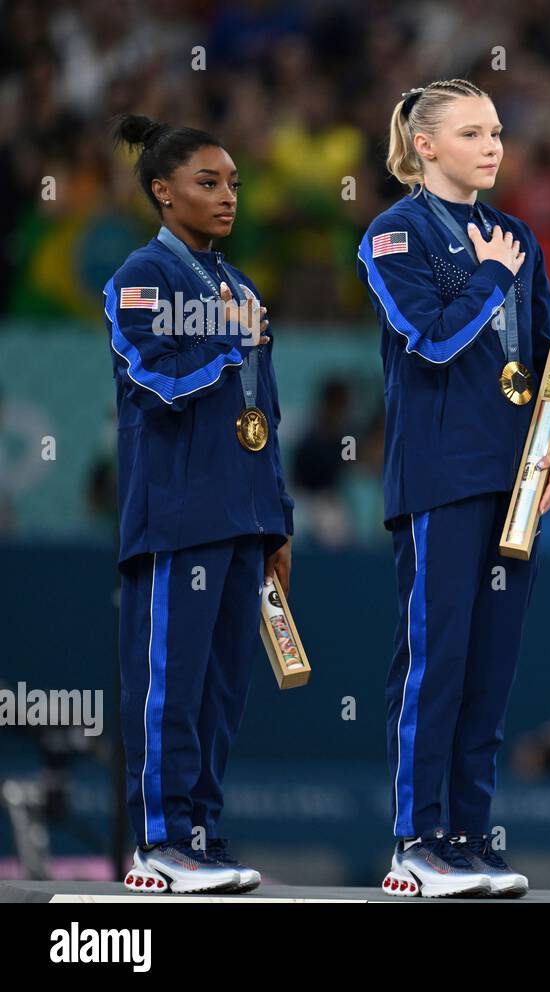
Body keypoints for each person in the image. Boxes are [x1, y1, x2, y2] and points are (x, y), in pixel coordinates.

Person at [356, 79, 550, 898]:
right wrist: (488, 279)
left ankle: (467, 836)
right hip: (440, 477)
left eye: (496, 131)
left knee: (489, 666)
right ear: (424, 146)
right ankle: (415, 839)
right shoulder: (393, 234)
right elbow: (429, 340)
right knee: (436, 658)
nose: (492, 145)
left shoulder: (514, 233)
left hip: (515, 477)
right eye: (470, 133)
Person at [106, 113, 294, 894]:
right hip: (180, 516)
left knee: (220, 692)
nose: (227, 199)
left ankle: (201, 835)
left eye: (234, 186)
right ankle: (157, 842)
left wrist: (277, 519)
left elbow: (265, 414)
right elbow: (155, 382)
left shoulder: (238, 283)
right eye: (207, 184)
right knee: (170, 686)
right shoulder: (142, 278)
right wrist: (224, 341)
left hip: (245, 518)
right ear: (161, 190)